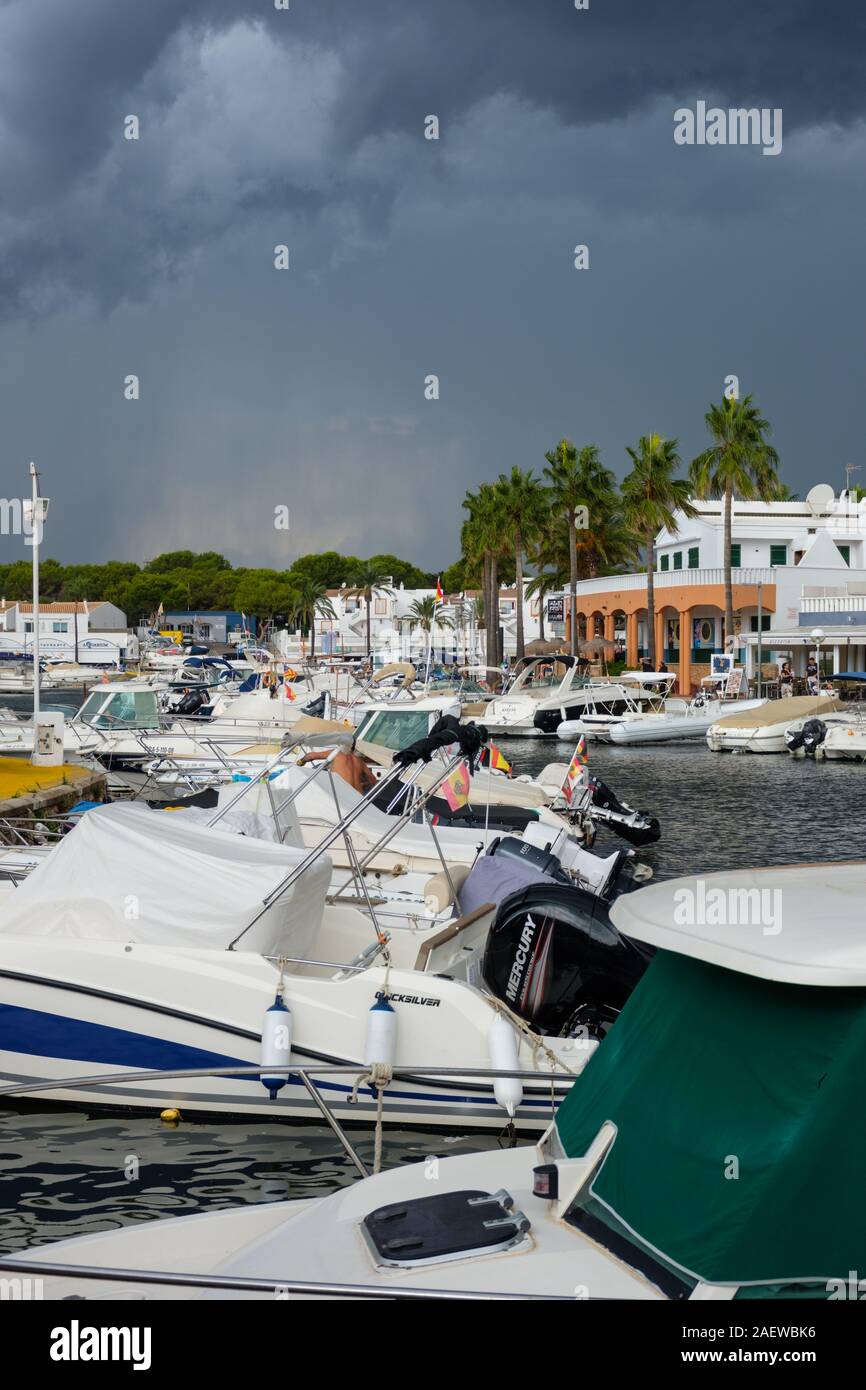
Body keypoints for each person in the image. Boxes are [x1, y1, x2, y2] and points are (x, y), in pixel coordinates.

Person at [298, 738, 377, 795]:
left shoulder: (337, 754)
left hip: (341, 794)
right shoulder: (360, 762)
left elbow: (310, 756)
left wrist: (300, 762)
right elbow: (373, 780)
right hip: (358, 796)